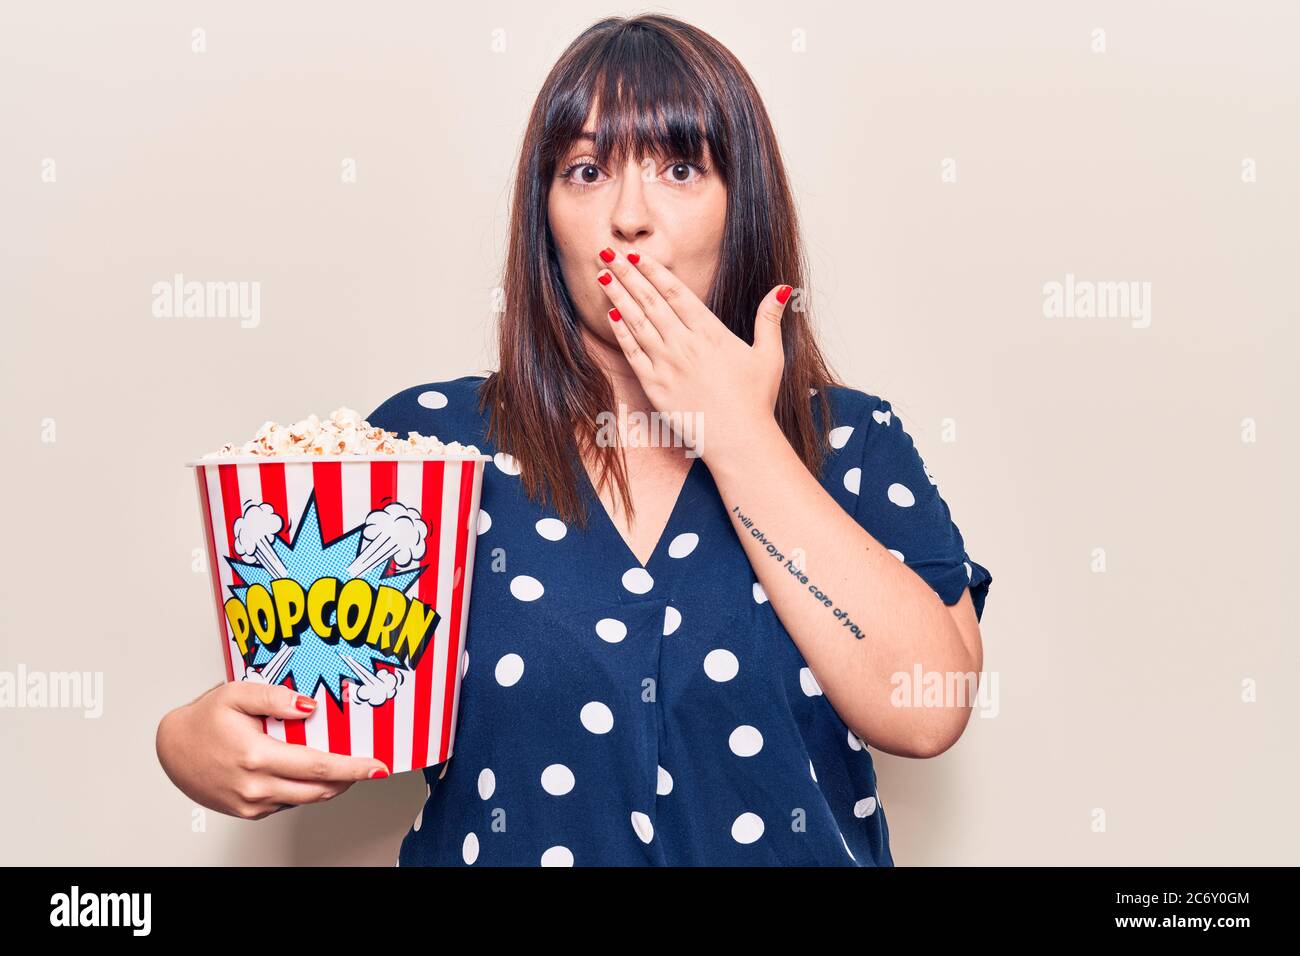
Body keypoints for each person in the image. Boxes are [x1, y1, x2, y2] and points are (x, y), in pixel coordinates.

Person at [157, 13, 992, 866]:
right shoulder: (430, 448)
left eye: (678, 168)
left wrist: (738, 434)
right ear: (544, 215)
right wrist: (189, 744)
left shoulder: (850, 439)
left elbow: (929, 709)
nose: (628, 217)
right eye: (586, 171)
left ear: (743, 205)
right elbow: (305, 663)